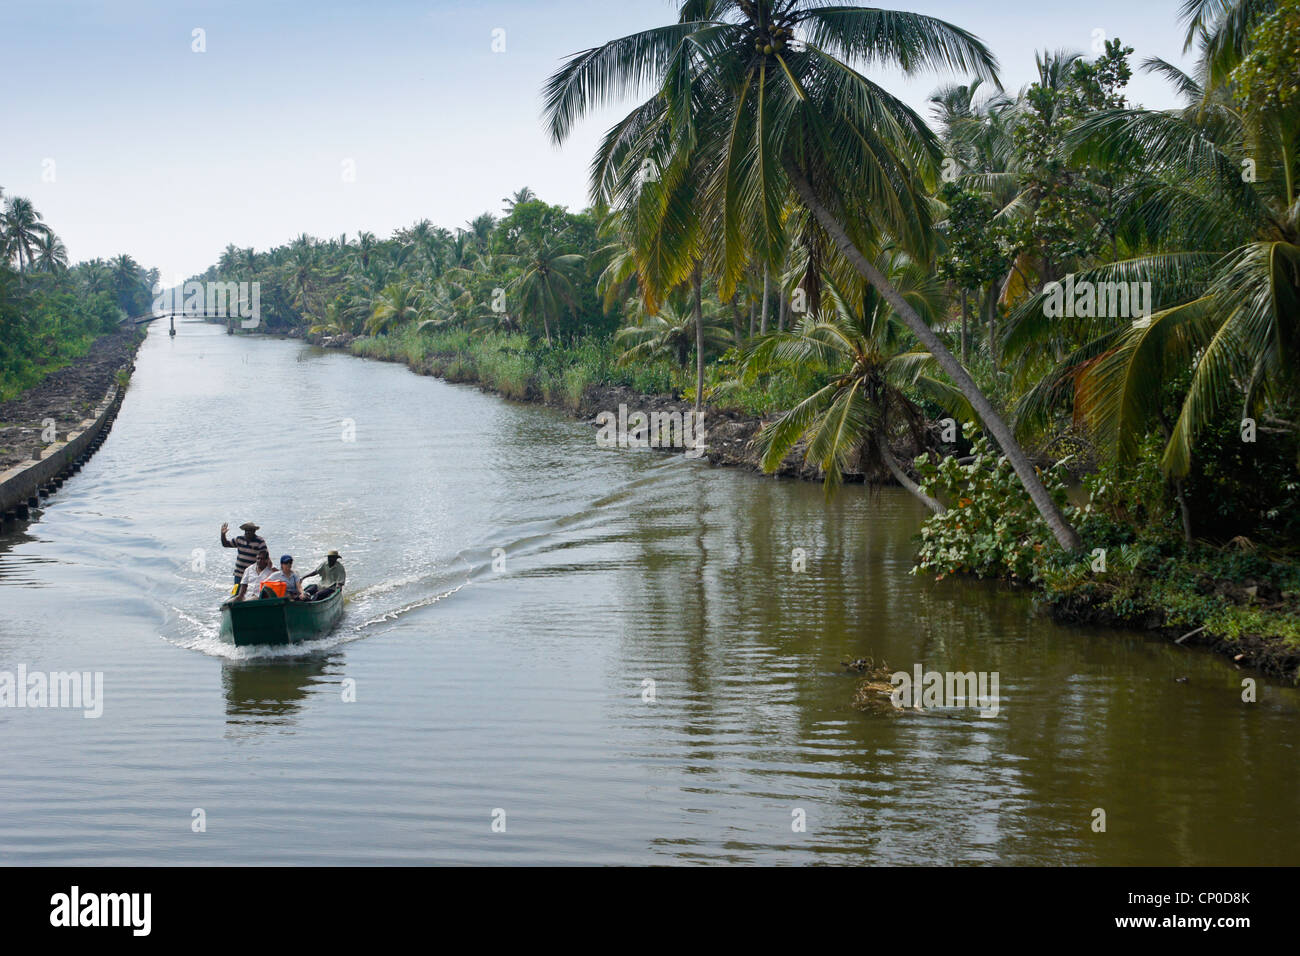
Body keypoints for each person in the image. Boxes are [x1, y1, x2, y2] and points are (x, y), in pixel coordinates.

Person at [220, 522, 268, 589]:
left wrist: (266, 571)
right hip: (239, 574)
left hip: (252, 574)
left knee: (249, 593)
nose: (247, 532)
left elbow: (265, 556)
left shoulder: (260, 541)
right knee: (236, 593)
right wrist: (223, 534)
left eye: (250, 530)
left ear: (254, 531)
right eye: (246, 531)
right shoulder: (239, 539)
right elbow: (225, 544)